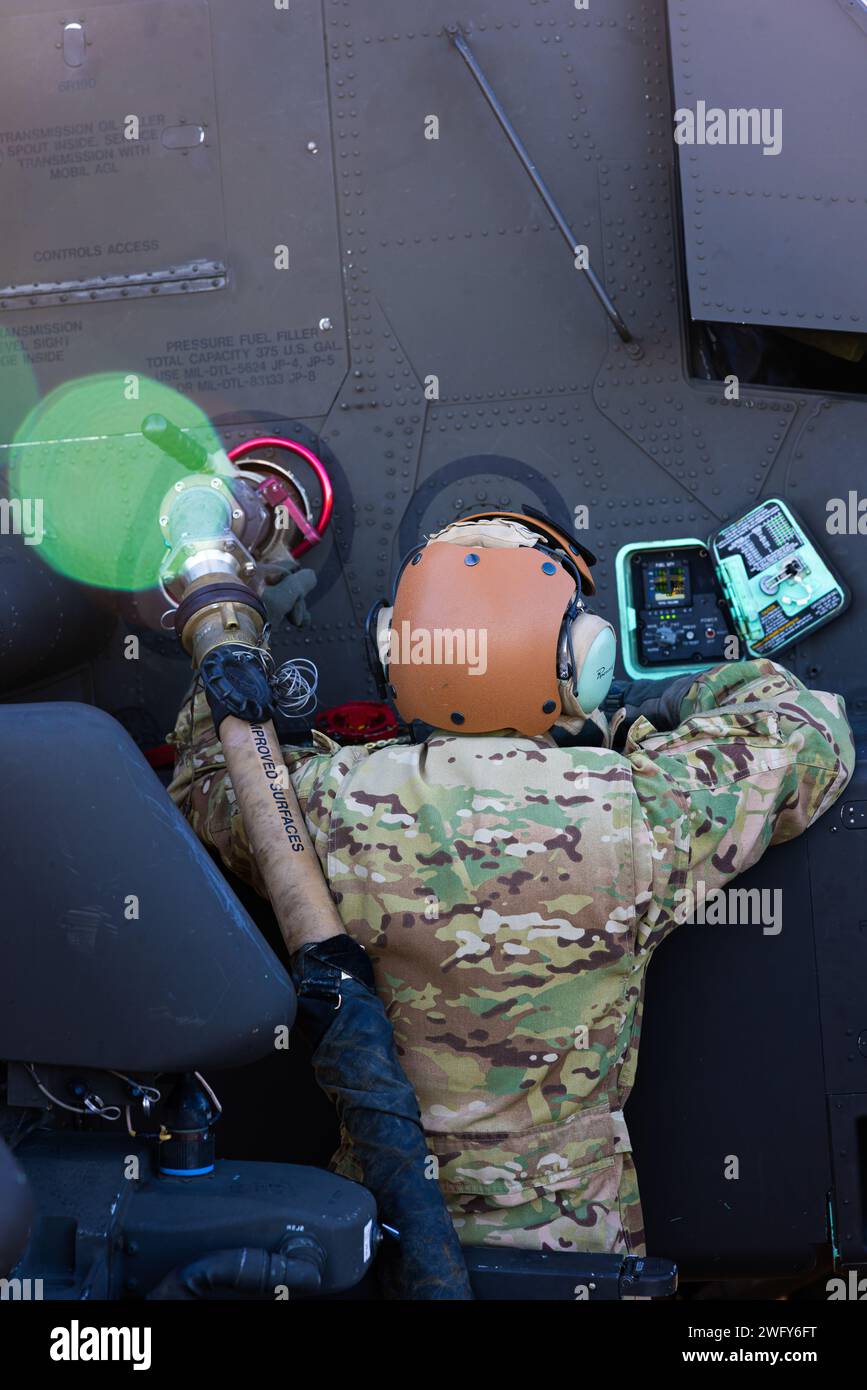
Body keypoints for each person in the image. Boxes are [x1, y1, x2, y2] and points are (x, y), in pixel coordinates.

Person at [167, 509, 854, 1257]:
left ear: (395, 650)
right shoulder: (633, 808)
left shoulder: (329, 803)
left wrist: (236, 622)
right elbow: (806, 731)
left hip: (377, 1227)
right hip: (572, 1240)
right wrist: (639, 722)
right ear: (577, 661)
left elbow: (214, 773)